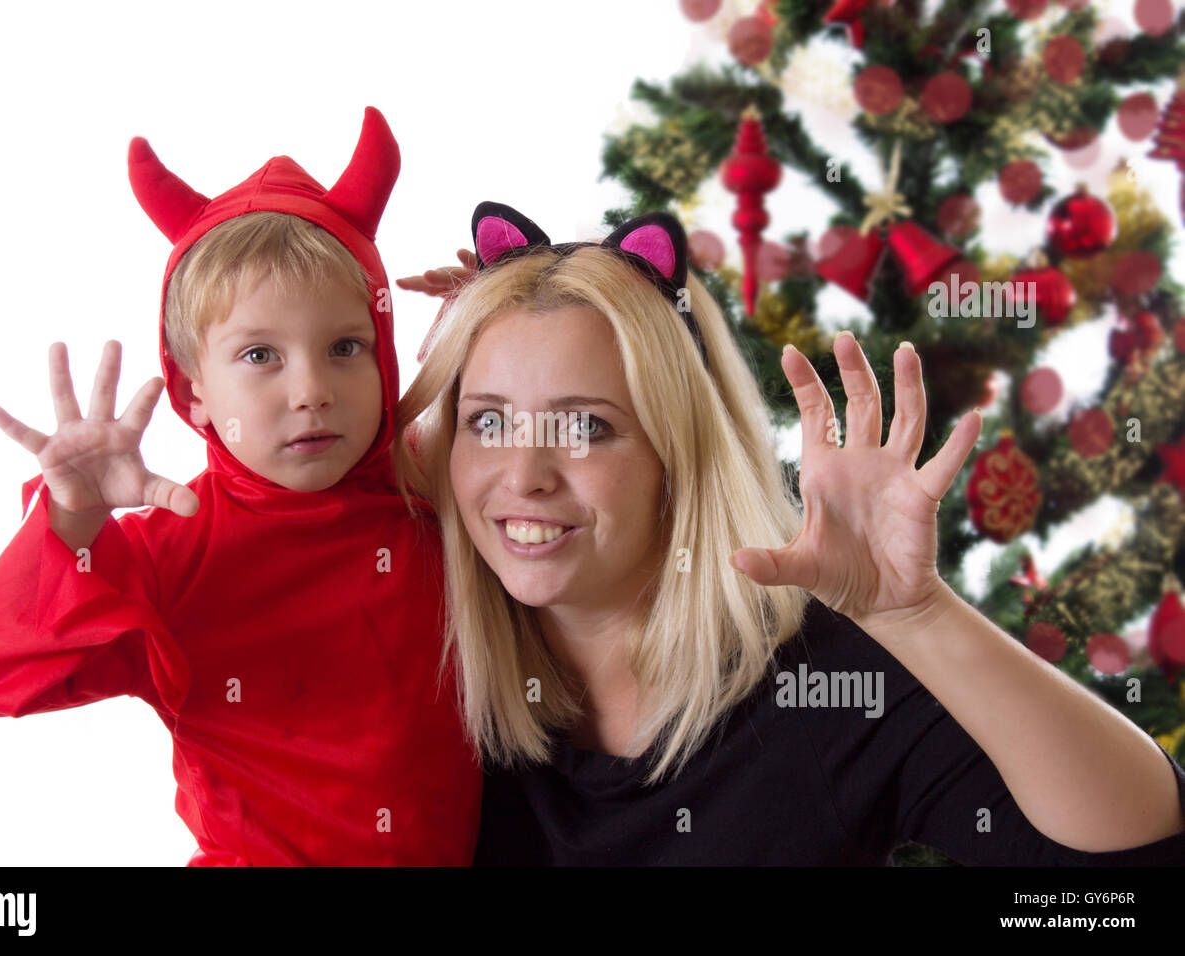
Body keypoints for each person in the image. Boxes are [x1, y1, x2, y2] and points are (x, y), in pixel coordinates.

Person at [392, 201, 1185, 865]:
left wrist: (919, 616)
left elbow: (1126, 869)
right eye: (488, 420)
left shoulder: (814, 680)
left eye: (586, 427)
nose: (524, 473)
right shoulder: (418, 641)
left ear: (680, 451)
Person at [0, 108, 481, 866]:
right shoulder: (170, 553)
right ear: (193, 393)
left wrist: (490, 329)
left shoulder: (433, 493)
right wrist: (71, 522)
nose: (312, 390)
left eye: (344, 347)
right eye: (261, 354)